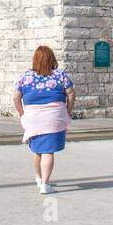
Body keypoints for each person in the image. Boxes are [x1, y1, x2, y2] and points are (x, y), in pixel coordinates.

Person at [12, 46, 74, 194]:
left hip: (33, 118)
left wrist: (22, 114)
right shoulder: (61, 76)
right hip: (54, 117)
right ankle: (45, 185)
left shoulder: (25, 77)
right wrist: (67, 112)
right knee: (48, 152)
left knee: (37, 150)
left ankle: (39, 179)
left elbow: (16, 97)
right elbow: (71, 95)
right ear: (52, 59)